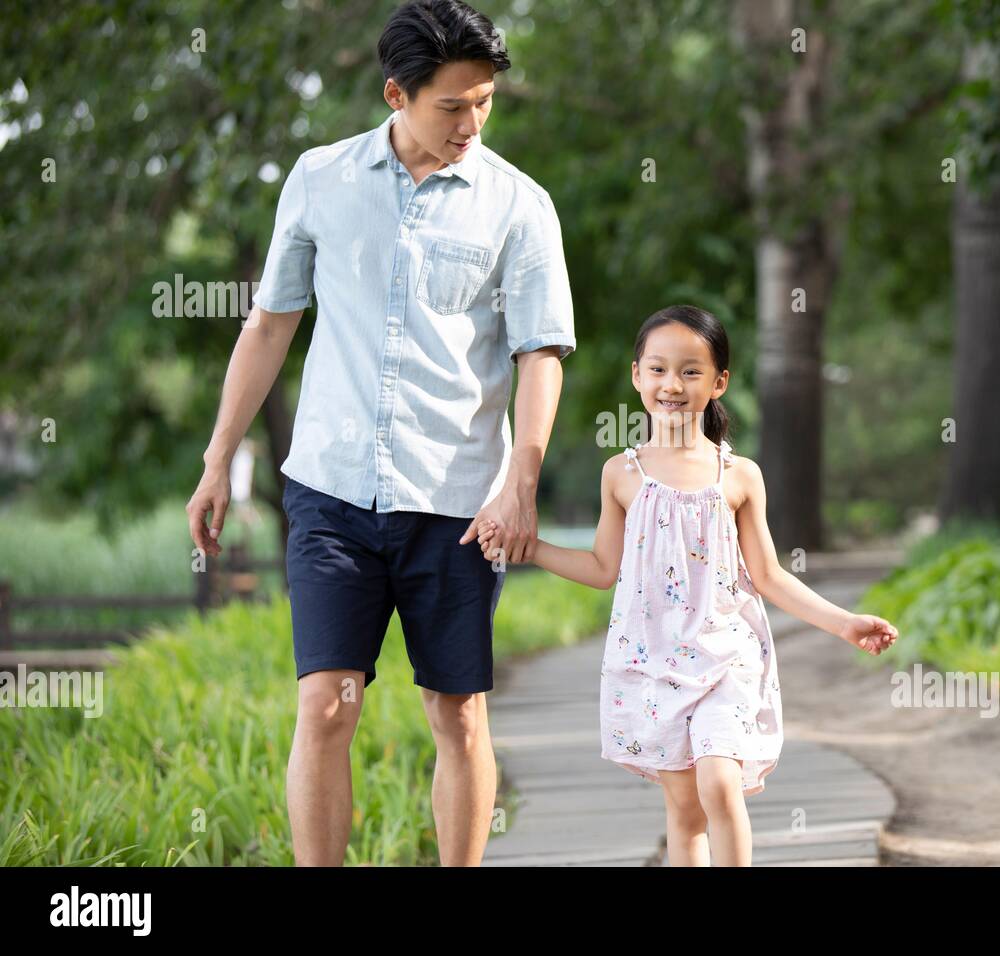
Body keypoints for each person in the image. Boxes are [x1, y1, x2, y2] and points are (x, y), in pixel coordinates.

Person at [185, 0, 575, 866]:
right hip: (332, 488)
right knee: (326, 701)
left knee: (457, 709)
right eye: (451, 105)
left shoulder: (521, 204)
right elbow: (269, 325)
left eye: (484, 102)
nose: (471, 122)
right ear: (397, 94)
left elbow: (540, 350)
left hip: (459, 498)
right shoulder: (320, 179)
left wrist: (522, 480)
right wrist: (218, 459)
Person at [473, 305, 897, 866]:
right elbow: (604, 569)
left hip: (726, 658)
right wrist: (529, 547)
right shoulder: (621, 474)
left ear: (719, 381)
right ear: (636, 376)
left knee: (719, 783)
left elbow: (768, 574)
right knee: (685, 811)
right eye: (658, 369)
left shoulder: (739, 475)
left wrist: (844, 623)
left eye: (691, 371)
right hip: (653, 663)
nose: (672, 384)